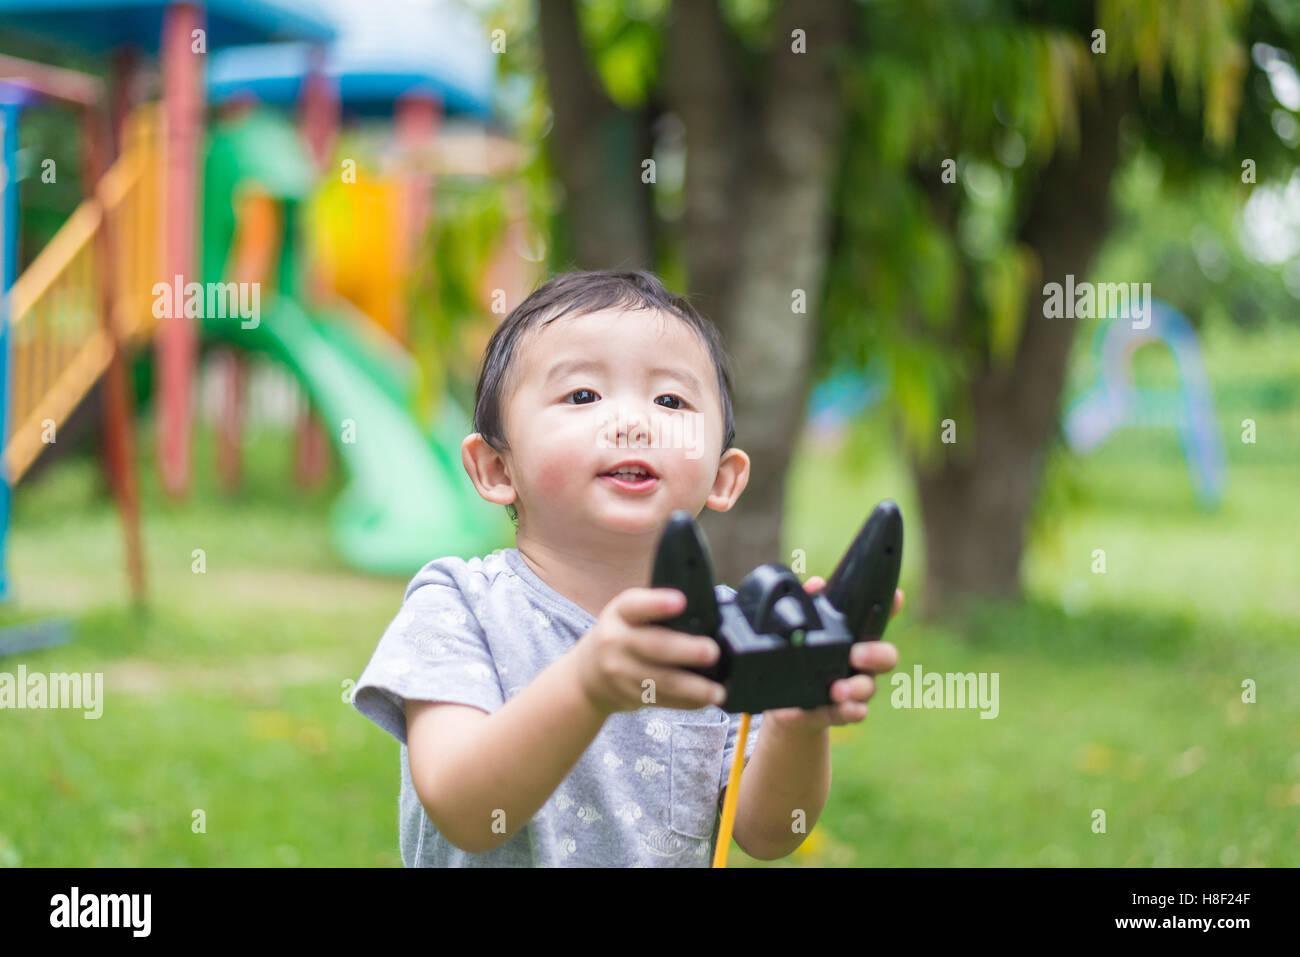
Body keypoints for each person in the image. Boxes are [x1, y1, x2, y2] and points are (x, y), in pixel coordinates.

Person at [352, 269, 902, 866]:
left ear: (723, 477)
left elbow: (768, 834)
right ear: (495, 469)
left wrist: (798, 720)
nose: (634, 422)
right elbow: (467, 813)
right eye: (582, 395)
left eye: (670, 400)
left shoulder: (720, 632)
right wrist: (590, 684)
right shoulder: (458, 605)